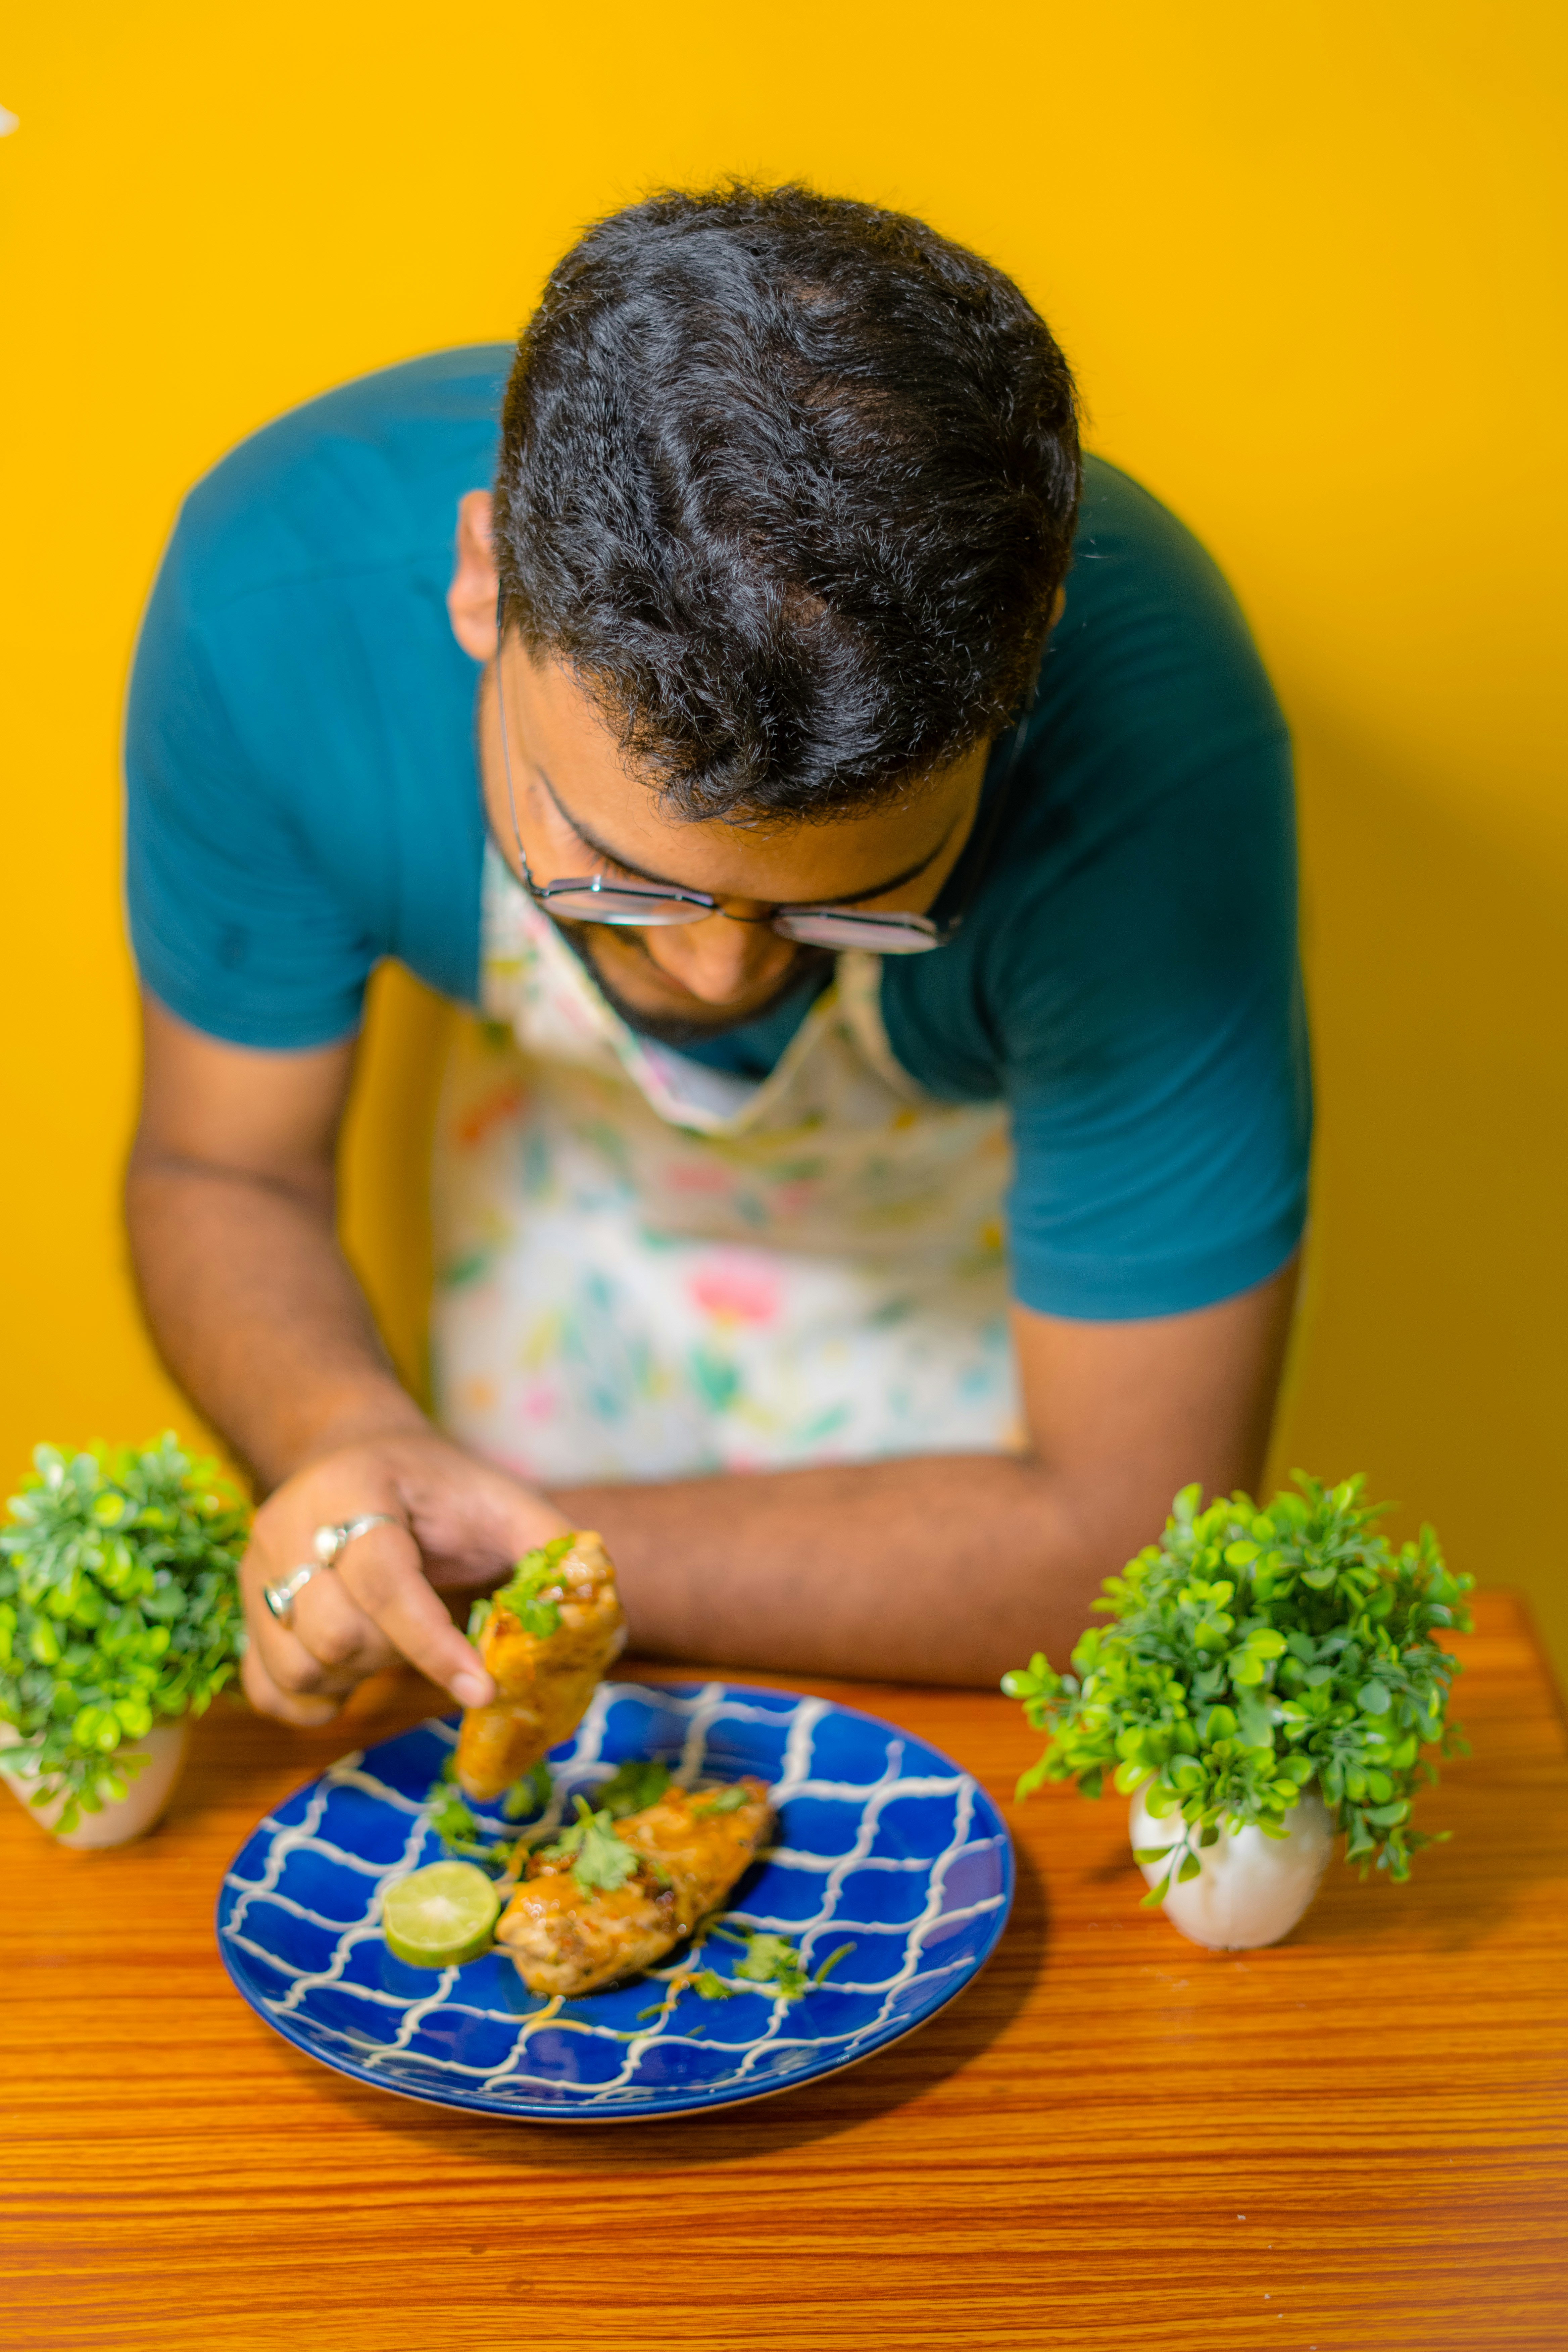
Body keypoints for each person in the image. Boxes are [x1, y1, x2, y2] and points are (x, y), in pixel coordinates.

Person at [124, 183, 1309, 1726]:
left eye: (848, 904)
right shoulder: (274, 617)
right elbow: (224, 1170)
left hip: (957, 1328)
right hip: (561, 1250)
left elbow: (1121, 1540)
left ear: (1025, 673)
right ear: (483, 581)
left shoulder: (1155, 749)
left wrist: (498, 1549)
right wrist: (353, 1439)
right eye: (617, 881)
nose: (715, 980)